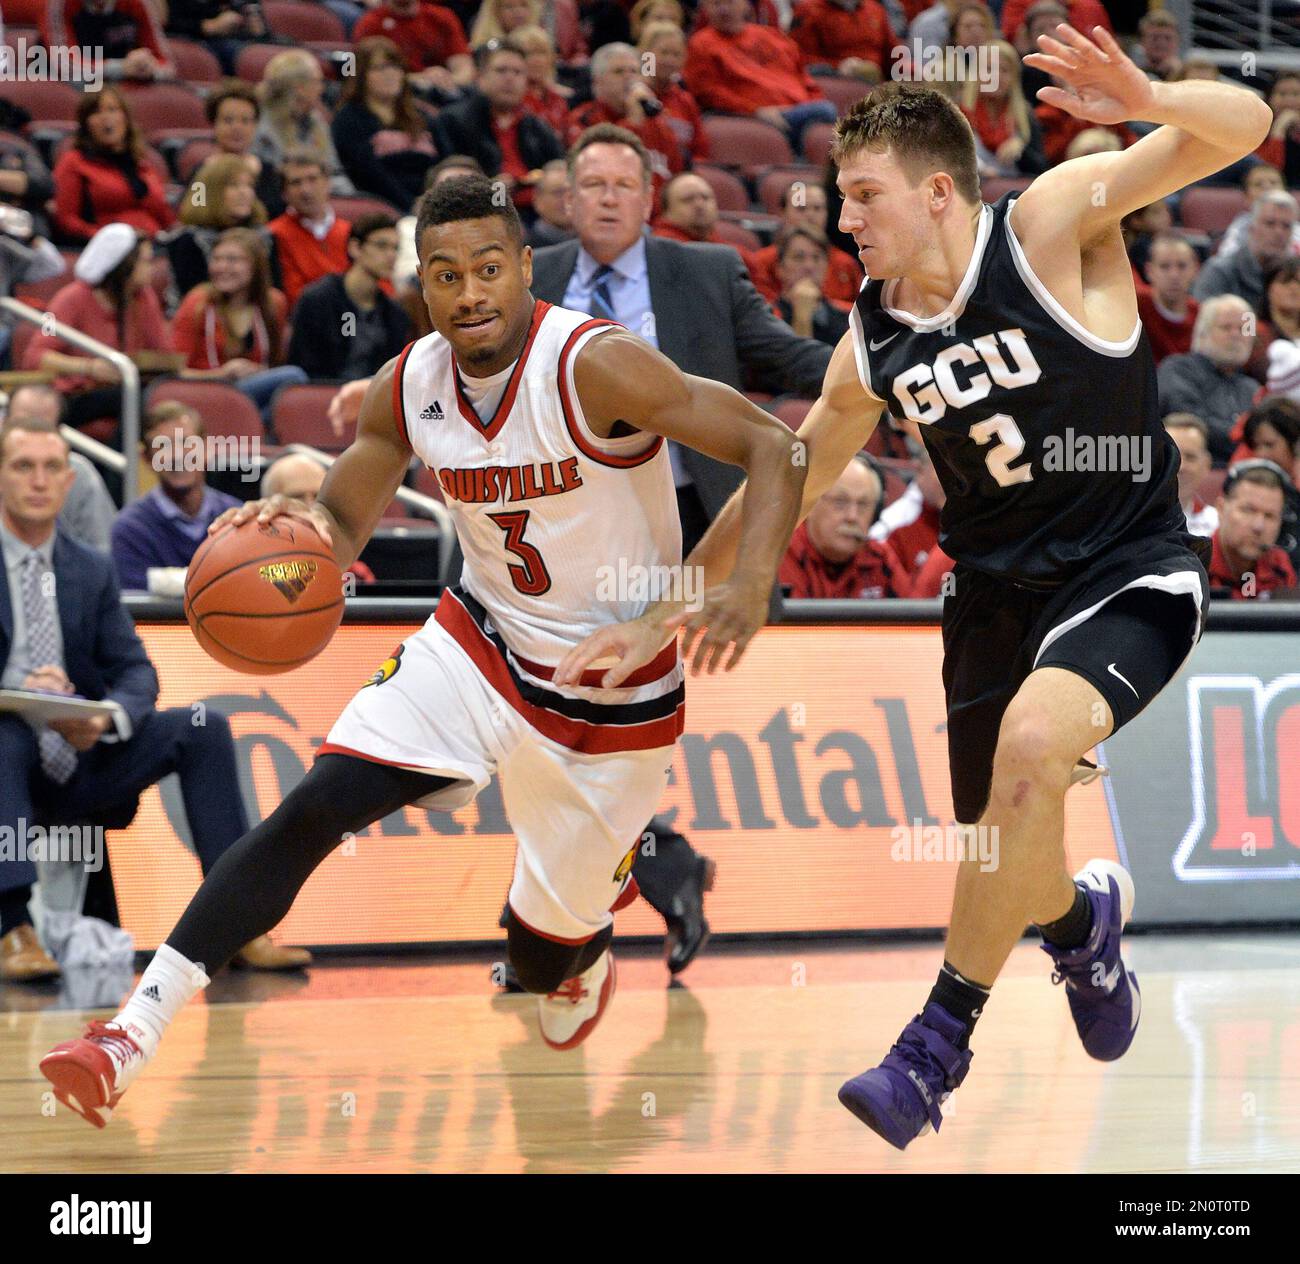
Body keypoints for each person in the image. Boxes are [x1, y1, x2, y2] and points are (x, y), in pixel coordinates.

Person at [559, 41, 1271, 1150]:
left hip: (1128, 565)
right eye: (841, 197)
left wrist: (1145, 100)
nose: (844, 219)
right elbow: (788, 476)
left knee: (1036, 745)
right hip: (991, 597)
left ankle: (931, 1049)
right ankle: (1084, 925)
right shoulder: (872, 338)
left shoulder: (1047, 224)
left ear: (937, 191)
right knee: (1004, 857)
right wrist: (668, 602)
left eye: (862, 196)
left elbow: (1246, 127)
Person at [39, 172, 806, 1127]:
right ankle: (125, 1037)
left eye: (489, 268)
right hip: (478, 644)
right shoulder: (409, 384)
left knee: (538, 962)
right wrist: (296, 529)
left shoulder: (597, 364)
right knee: (316, 806)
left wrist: (748, 583)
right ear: (423, 285)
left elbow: (779, 446)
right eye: (446, 274)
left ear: (528, 268)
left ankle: (585, 942)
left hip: (612, 685)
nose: (470, 291)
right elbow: (340, 525)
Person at [0, 413, 305, 984]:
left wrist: (104, 718)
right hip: (7, 758)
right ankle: (10, 927)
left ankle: (237, 924)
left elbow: (136, 670)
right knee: (6, 733)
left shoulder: (90, 568)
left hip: (80, 754)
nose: (38, 481)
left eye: (51, 469)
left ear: (70, 482)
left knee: (204, 727)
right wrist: (22, 697)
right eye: (22, 467)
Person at [23, 224, 173, 438]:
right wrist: (90, 367)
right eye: (145, 262)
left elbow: (164, 352)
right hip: (73, 394)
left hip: (122, 385)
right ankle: (120, 471)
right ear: (123, 264)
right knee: (130, 397)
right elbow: (35, 357)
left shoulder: (143, 297)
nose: (152, 268)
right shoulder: (68, 298)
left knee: (156, 395)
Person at [171, 228, 308, 422]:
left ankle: (242, 426)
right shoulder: (197, 302)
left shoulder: (273, 303)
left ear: (256, 267)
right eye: (217, 259)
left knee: (291, 395)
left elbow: (275, 364)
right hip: (205, 392)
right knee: (295, 376)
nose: (222, 267)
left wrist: (258, 372)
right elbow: (175, 373)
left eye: (233, 260)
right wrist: (222, 374)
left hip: (251, 393)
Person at [109, 402, 243, 591]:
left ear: (208, 449)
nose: (178, 456)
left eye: (187, 443)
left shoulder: (238, 518)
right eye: (164, 446)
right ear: (146, 458)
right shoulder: (129, 531)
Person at [431, 39, 566, 215]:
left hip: (538, 210)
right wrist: (490, 187)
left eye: (518, 72)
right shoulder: (453, 120)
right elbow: (449, 177)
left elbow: (558, 168)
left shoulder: (537, 125)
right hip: (484, 209)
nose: (510, 78)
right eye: (501, 70)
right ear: (480, 76)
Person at [685, 0, 838, 154]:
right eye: (716, 4)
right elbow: (707, 93)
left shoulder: (773, 36)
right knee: (827, 112)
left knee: (833, 116)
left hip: (802, 110)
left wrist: (815, 99)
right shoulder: (701, 44)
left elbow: (805, 79)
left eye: (730, 2)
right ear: (705, 9)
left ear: (745, 5)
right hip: (757, 118)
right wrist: (755, 111)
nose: (724, 10)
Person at [288, 214, 412, 380]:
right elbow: (302, 367)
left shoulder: (395, 314)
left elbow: (392, 375)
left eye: (395, 248)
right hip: (322, 395)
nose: (391, 255)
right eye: (382, 246)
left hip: (370, 397)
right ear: (355, 248)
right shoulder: (317, 300)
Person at [2, 384, 116, 554]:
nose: (39, 482)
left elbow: (103, 550)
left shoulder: (80, 474)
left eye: (43, 427)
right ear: (4, 423)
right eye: (24, 466)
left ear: (60, 432)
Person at [51, 89, 175, 245]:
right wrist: (111, 239)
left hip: (155, 246)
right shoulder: (74, 162)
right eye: (96, 112)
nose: (106, 117)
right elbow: (65, 220)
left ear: (126, 118)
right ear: (85, 124)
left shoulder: (142, 165)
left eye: (112, 110)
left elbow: (165, 216)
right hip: (108, 250)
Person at [332, 37, 440, 211]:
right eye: (379, 68)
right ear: (361, 75)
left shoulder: (422, 115)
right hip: (383, 207)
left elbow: (445, 162)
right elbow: (368, 173)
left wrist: (434, 201)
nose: (390, 74)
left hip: (431, 203)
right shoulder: (349, 118)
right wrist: (411, 205)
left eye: (395, 66)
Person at [779, 454, 909, 597]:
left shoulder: (880, 558)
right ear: (809, 504)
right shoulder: (781, 553)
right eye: (840, 502)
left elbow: (916, 616)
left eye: (863, 505)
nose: (852, 516)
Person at [567, 43, 685, 191]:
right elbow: (597, 166)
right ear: (598, 82)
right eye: (618, 71)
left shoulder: (656, 120)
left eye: (634, 71)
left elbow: (676, 171)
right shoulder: (583, 119)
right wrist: (632, 123)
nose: (628, 77)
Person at [1157, 294, 1260, 463]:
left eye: (1243, 329)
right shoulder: (1179, 369)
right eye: (1226, 327)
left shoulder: (1251, 387)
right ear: (1202, 333)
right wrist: (1245, 441)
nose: (1235, 335)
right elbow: (1189, 420)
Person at [260, 454, 377, 585]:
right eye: (296, 498)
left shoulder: (354, 575)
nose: (311, 507)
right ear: (269, 506)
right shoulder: (251, 568)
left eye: (319, 497)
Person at [253, 50, 356, 198]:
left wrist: (349, 196)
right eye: (318, 81)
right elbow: (277, 181)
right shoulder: (263, 128)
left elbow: (334, 170)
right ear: (299, 88)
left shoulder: (317, 122)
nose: (322, 88)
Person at [168, 152, 272, 295]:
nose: (244, 192)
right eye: (234, 186)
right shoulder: (190, 241)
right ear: (212, 192)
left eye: (249, 185)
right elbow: (192, 298)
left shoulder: (264, 236)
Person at [750, 180, 863, 307]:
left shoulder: (846, 263)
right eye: (801, 208)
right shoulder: (760, 262)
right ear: (782, 213)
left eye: (817, 208)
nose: (810, 215)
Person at [267, 150, 353, 308]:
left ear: (328, 183)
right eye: (296, 182)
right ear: (284, 193)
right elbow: (293, 297)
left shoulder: (350, 232)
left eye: (313, 179)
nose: (305, 190)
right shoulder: (273, 235)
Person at [1192, 191, 1297, 310]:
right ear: (1251, 228)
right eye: (1270, 223)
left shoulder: (1295, 276)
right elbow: (1204, 322)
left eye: (1286, 226)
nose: (1279, 232)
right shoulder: (1219, 271)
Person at [1208, 461, 1297, 600]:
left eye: (1270, 516)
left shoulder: (1279, 567)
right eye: (1248, 510)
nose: (1258, 526)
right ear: (1220, 508)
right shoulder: (1193, 566)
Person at [960, 41, 1048, 177]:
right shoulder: (958, 113)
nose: (997, 76)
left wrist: (1021, 150)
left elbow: (1041, 169)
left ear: (1014, 77)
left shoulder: (1025, 114)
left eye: (1004, 70)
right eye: (989, 69)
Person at [352, 0, 476, 93]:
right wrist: (422, 79)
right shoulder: (371, 24)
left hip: (445, 89)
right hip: (399, 93)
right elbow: (366, 75)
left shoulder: (441, 17)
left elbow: (465, 67)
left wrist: (446, 80)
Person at [203, 82, 283, 219]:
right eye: (228, 120)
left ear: (255, 126)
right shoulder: (201, 174)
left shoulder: (271, 174)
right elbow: (195, 211)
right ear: (214, 124)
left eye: (245, 121)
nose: (237, 128)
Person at [42, 0, 175, 82]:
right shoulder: (60, 4)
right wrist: (120, 68)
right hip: (78, 85)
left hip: (126, 83)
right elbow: (64, 65)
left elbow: (167, 64)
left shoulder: (138, 3)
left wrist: (150, 68)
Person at [652, 171, 756, 273]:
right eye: (688, 199)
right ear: (666, 211)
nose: (699, 204)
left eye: (706, 198)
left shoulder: (730, 250)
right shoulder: (659, 249)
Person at [637, 20, 708, 167]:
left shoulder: (686, 101)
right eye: (664, 52)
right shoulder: (633, 96)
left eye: (676, 54)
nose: (669, 60)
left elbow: (700, 150)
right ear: (646, 55)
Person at [767, 226, 850, 349]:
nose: (809, 266)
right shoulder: (767, 318)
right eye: (798, 257)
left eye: (817, 258)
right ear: (780, 268)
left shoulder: (849, 319)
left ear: (827, 267)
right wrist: (802, 319)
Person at [790, 0, 897, 83]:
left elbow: (894, 54)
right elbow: (798, 58)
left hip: (878, 79)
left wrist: (909, 69)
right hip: (835, 81)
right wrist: (837, 67)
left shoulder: (875, 9)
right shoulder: (808, 11)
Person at [1214, 164, 1300, 260]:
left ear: (1285, 192)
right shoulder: (1239, 228)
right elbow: (1226, 259)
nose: (1267, 187)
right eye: (1258, 184)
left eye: (1273, 182)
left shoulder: (1295, 228)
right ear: (1247, 197)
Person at [1137, 230, 1198, 365]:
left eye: (1182, 266)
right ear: (1149, 271)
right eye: (1164, 266)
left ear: (1195, 269)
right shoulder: (1134, 305)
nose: (1174, 275)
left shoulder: (1203, 315)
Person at [165, 1, 270, 76]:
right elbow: (168, 22)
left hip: (234, 37)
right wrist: (207, 26)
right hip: (195, 40)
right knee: (249, 57)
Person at [514, 25, 573, 140]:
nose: (537, 60)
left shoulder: (558, 100)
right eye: (528, 53)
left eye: (541, 53)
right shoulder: (512, 100)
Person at [1163, 413, 1218, 538]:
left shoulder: (1217, 525)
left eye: (1190, 457)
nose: (1181, 467)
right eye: (1173, 455)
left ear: (1206, 465)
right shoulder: (1128, 520)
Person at [527, 159, 574, 248]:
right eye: (558, 193)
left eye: (572, 192)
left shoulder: (595, 247)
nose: (566, 200)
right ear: (537, 200)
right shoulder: (522, 251)